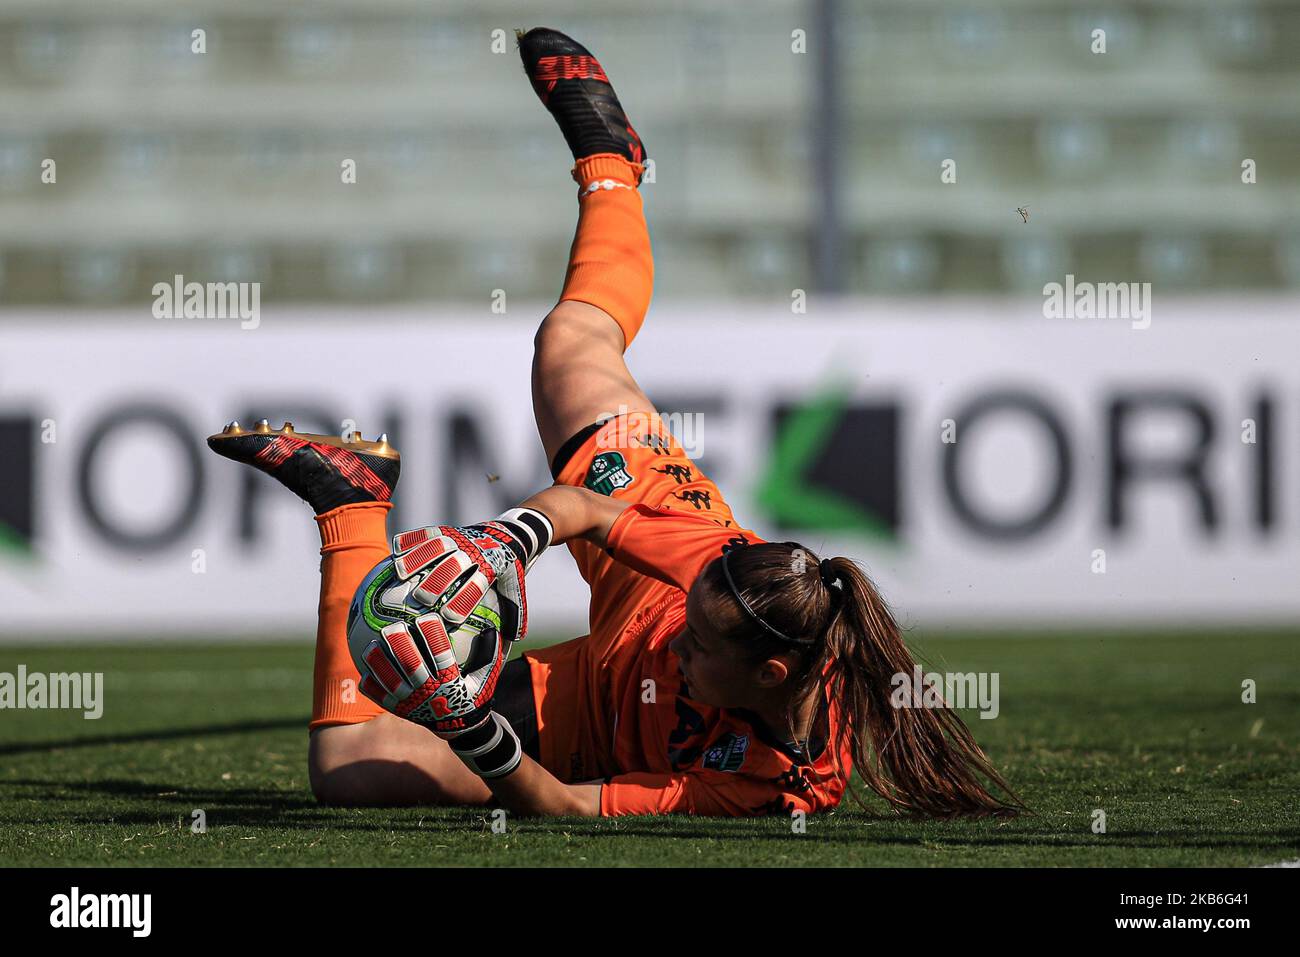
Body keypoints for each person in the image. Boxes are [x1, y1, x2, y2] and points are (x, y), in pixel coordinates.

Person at [208, 27, 1021, 819]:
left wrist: (467, 725)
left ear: (770, 673)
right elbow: (591, 509)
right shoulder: (714, 567)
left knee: (345, 768)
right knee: (567, 341)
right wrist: (508, 539)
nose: (678, 649)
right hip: (656, 538)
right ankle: (612, 164)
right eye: (691, 630)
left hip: (592, 715)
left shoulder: (778, 785)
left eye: (698, 647)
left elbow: (562, 802)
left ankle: (349, 502)